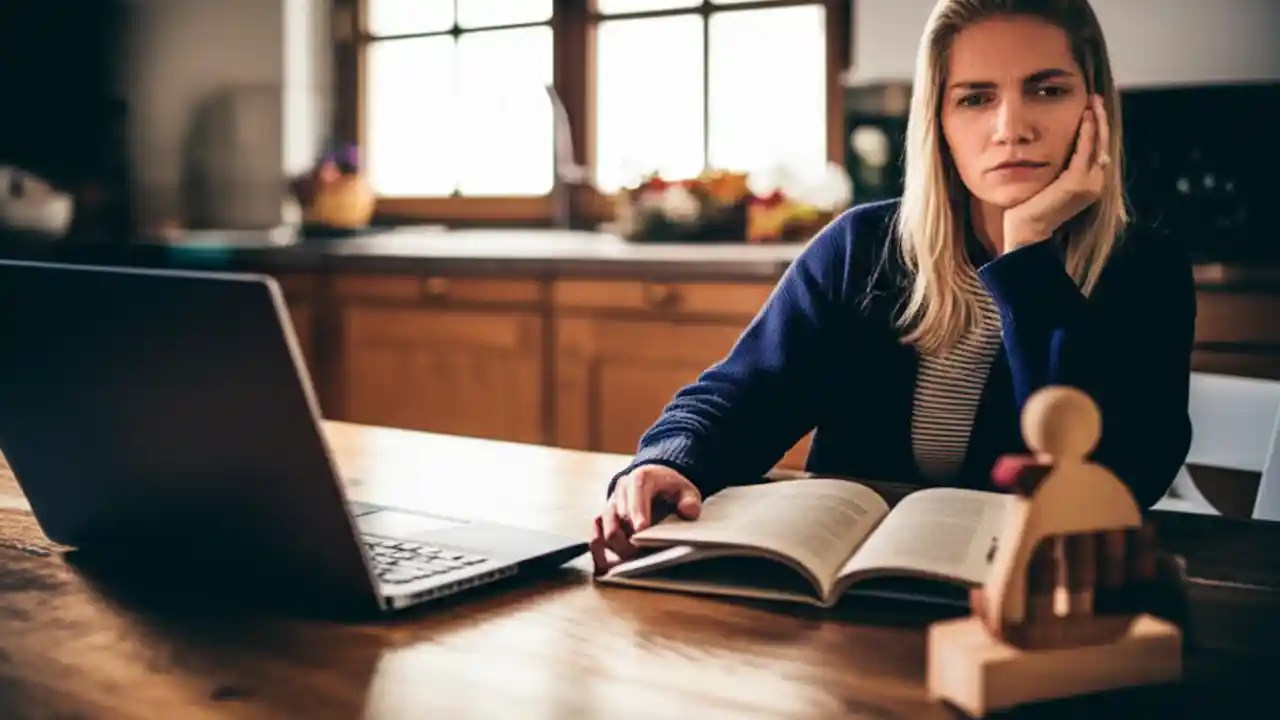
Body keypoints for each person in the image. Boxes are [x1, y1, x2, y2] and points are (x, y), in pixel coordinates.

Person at [589, 0, 1195, 575]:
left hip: (1034, 608)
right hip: (849, 609)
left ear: (1095, 108)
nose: (1011, 128)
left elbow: (1116, 479)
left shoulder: (1144, 269)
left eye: (1046, 89)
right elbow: (740, 396)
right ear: (938, 122)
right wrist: (668, 461)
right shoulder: (861, 247)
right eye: (975, 98)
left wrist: (1031, 255)